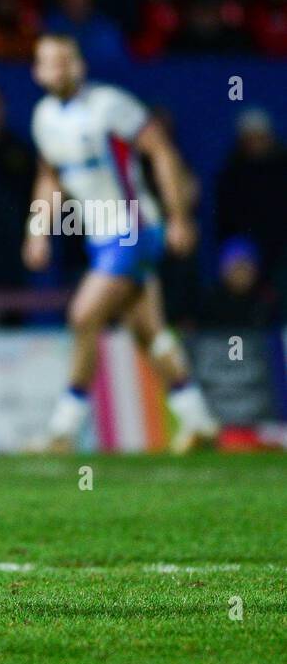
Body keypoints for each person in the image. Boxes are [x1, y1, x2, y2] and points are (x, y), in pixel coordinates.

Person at [22, 34, 218, 454]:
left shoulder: (110, 105)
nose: (58, 69)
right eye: (48, 63)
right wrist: (38, 230)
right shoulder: (43, 118)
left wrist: (180, 216)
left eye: (65, 60)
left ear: (79, 65)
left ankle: (62, 430)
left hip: (134, 230)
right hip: (99, 238)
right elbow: (49, 177)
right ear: (37, 72)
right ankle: (199, 419)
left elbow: (161, 151)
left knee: (83, 315)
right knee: (149, 334)